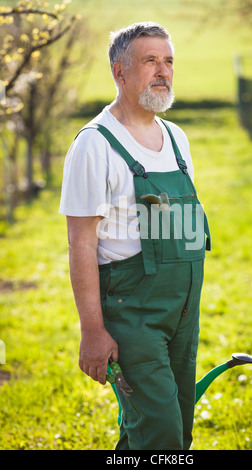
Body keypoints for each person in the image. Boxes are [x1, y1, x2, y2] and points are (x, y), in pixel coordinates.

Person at [59, 21, 210, 450]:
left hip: (183, 309)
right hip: (132, 310)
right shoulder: (95, 144)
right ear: (119, 72)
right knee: (160, 432)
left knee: (174, 425)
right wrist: (92, 331)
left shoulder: (177, 139)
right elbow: (81, 243)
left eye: (168, 61)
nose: (163, 71)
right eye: (150, 61)